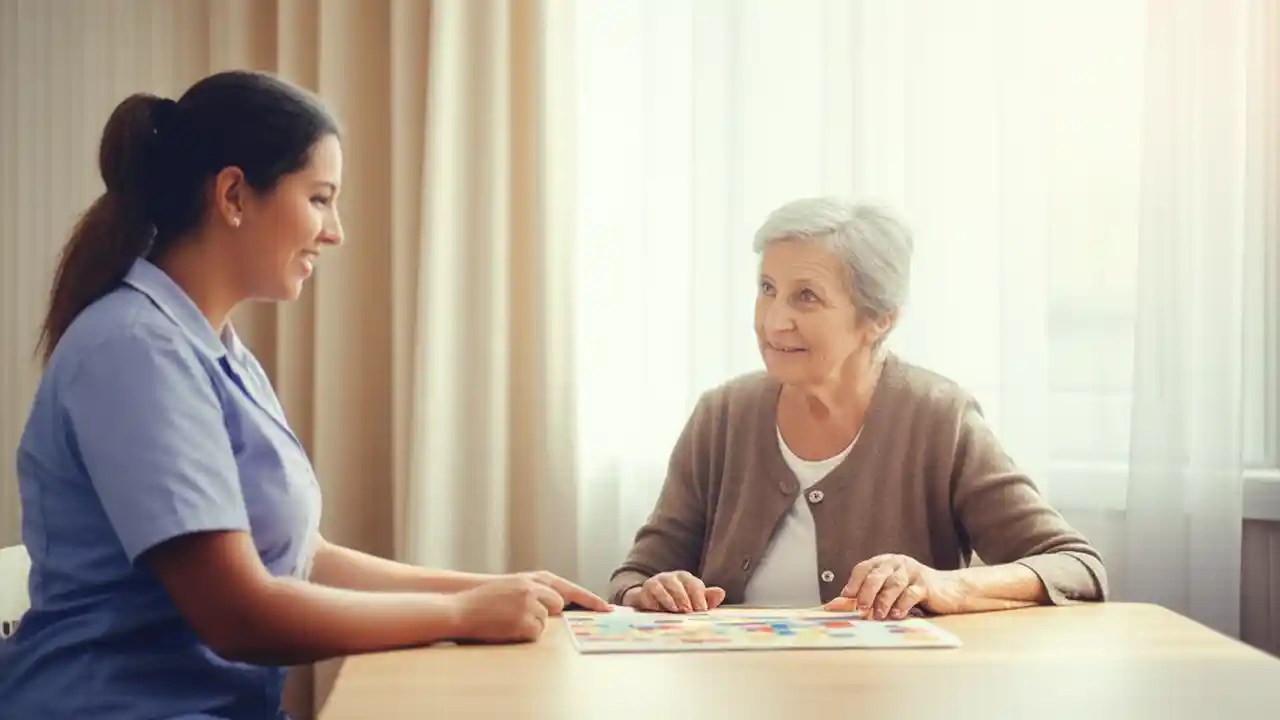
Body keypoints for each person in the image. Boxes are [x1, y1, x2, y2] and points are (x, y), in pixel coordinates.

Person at [0, 70, 607, 719]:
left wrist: (496, 589)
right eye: (320, 199)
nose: (335, 231)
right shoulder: (133, 350)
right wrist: (460, 614)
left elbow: (303, 558)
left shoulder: (211, 347)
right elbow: (238, 614)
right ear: (234, 195)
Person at [610, 198, 1107, 619]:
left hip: (884, 689)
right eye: (767, 289)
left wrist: (943, 585)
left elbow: (1075, 565)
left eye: (806, 297)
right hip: (733, 686)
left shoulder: (938, 417)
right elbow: (636, 574)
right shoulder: (722, 415)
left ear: (879, 319)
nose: (774, 321)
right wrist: (649, 591)